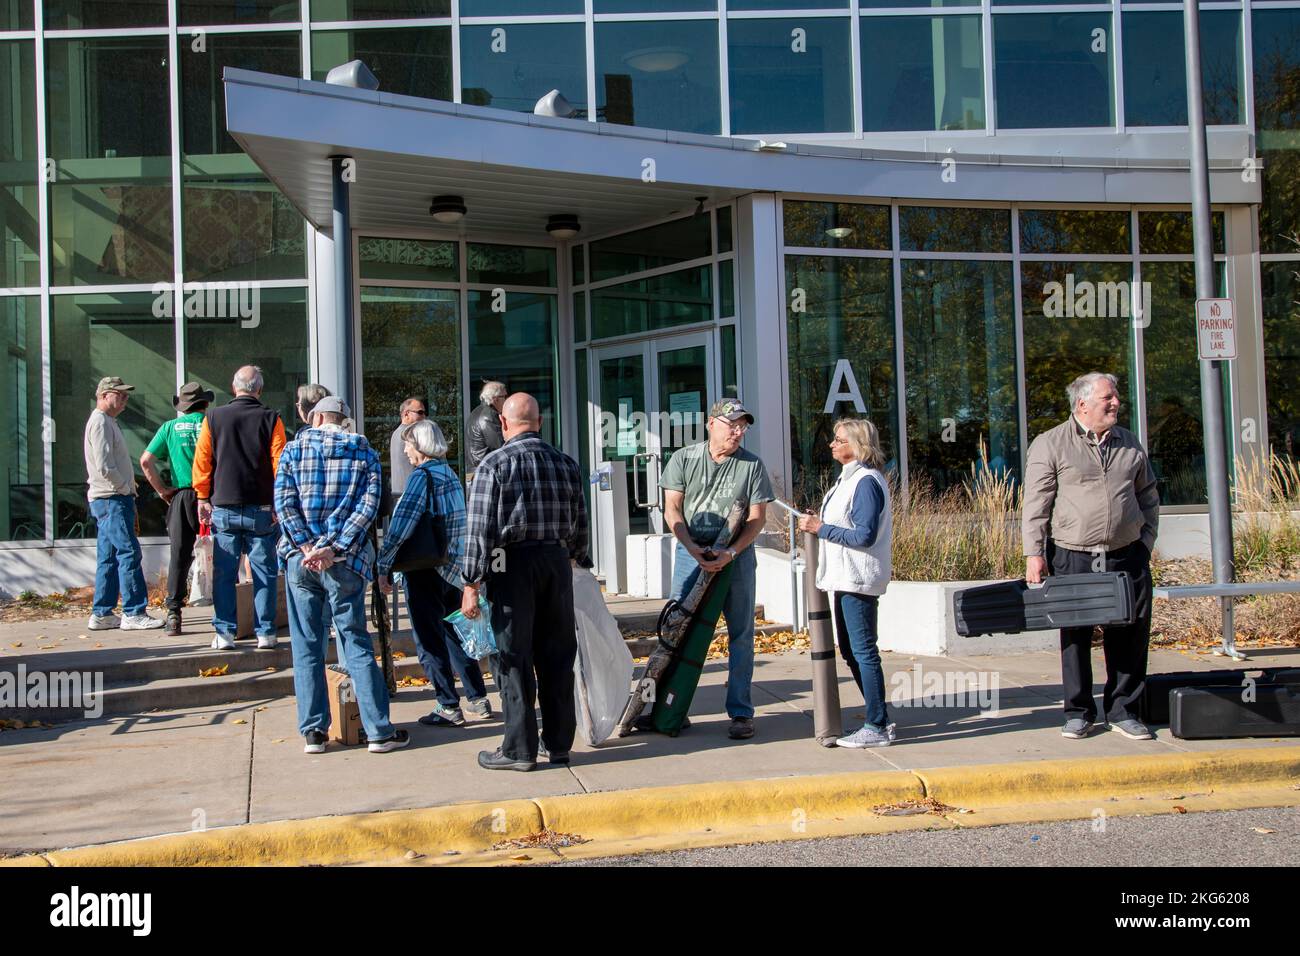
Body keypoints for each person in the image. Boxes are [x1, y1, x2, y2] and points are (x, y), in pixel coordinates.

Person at [1023, 371, 1160, 741]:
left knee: (1130, 632)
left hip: (1126, 555)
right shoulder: (1050, 443)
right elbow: (1036, 504)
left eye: (1115, 397)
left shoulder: (1129, 443)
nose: (1116, 403)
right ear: (1082, 404)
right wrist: (1034, 553)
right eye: (1108, 398)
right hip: (1073, 554)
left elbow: (1148, 495)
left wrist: (1144, 543)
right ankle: (1078, 712)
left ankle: (1124, 710)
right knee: (1075, 635)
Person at [460, 393, 589, 771]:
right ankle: (559, 742)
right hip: (555, 560)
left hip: (511, 563)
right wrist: (575, 558)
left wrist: (471, 582)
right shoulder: (565, 463)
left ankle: (519, 749)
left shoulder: (493, 465)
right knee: (557, 655)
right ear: (539, 422)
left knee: (513, 656)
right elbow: (580, 521)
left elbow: (479, 529)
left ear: (503, 423)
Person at [275, 396, 408, 755]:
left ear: (316, 418)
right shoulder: (362, 450)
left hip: (301, 562)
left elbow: (284, 504)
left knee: (306, 645)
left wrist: (307, 548)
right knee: (354, 639)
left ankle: (314, 732)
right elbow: (368, 507)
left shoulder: (292, 451)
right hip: (345, 561)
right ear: (344, 421)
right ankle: (378, 730)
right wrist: (332, 547)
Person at [660, 398, 774, 740]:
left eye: (743, 426)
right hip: (689, 553)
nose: (738, 432)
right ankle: (672, 707)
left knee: (740, 634)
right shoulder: (684, 458)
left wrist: (733, 551)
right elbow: (672, 510)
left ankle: (741, 712)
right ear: (711, 424)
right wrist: (692, 547)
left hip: (736, 557)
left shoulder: (751, 465)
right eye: (732, 425)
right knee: (677, 631)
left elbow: (757, 519)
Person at [377, 419, 491, 726]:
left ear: (420, 445)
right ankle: (478, 698)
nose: (405, 449)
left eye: (408, 443)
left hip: (425, 569)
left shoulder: (421, 477)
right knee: (456, 635)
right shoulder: (450, 474)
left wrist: (384, 564)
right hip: (453, 568)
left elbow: (401, 525)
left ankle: (447, 705)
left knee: (428, 640)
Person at [799, 418, 895, 749]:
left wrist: (820, 528)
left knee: (863, 651)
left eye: (839, 440)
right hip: (846, 577)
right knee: (852, 651)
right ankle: (877, 715)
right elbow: (845, 524)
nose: (832, 445)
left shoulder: (866, 481)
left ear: (857, 445)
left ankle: (877, 724)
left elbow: (865, 535)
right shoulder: (848, 480)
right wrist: (819, 524)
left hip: (858, 577)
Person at [192, 365, 287, 651]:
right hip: (262, 507)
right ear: (258, 389)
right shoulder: (272, 418)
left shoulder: (214, 417)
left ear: (235, 388)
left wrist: (202, 497)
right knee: (264, 572)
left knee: (224, 573)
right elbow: (280, 464)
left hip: (224, 505)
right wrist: (280, 502)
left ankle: (224, 633)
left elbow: (203, 459)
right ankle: (266, 632)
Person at [83, 376, 163, 631]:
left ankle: (102, 612)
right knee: (129, 552)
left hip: (108, 497)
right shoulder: (100, 422)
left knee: (109, 556)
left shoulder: (106, 421)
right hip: (112, 498)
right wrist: (125, 487)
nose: (126, 400)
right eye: (121, 394)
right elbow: (105, 466)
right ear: (105, 395)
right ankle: (134, 611)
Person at [140, 381, 215, 636]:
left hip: (182, 496)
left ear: (182, 406)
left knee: (179, 555)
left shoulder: (169, 428)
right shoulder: (212, 424)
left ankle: (174, 614)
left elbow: (145, 461)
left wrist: (162, 490)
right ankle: (228, 615)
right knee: (224, 554)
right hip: (212, 496)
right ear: (205, 403)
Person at [389, 396, 427, 496]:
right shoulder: (411, 434)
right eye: (420, 412)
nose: (424, 416)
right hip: (412, 493)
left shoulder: (396, 433)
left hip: (400, 493)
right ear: (406, 414)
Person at [466, 381, 507, 472]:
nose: (506, 400)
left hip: (478, 470)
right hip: (483, 471)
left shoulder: (479, 411)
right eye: (504, 396)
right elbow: (500, 447)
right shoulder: (489, 415)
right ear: (495, 399)